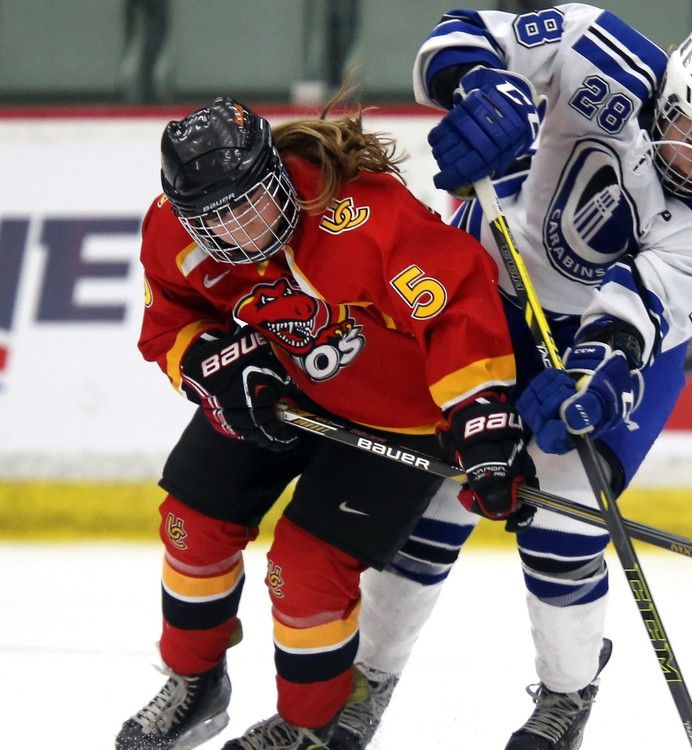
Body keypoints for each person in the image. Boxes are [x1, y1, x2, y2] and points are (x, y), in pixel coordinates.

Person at [331, 5, 692, 749]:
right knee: (436, 500)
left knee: (564, 519)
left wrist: (591, 379)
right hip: (486, 290)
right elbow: (459, 32)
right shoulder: (594, 41)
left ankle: (567, 696)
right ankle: (365, 682)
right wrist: (482, 86)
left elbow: (626, 324)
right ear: (668, 97)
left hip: (602, 343)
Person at [115, 95, 535, 750]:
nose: (242, 230)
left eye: (251, 202)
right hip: (285, 390)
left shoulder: (361, 218)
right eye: (217, 219)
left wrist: (479, 414)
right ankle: (195, 685)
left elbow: (454, 300)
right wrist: (215, 366)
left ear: (276, 172)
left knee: (304, 571)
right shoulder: (173, 231)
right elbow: (169, 320)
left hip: (396, 420)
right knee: (189, 522)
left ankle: (310, 727)